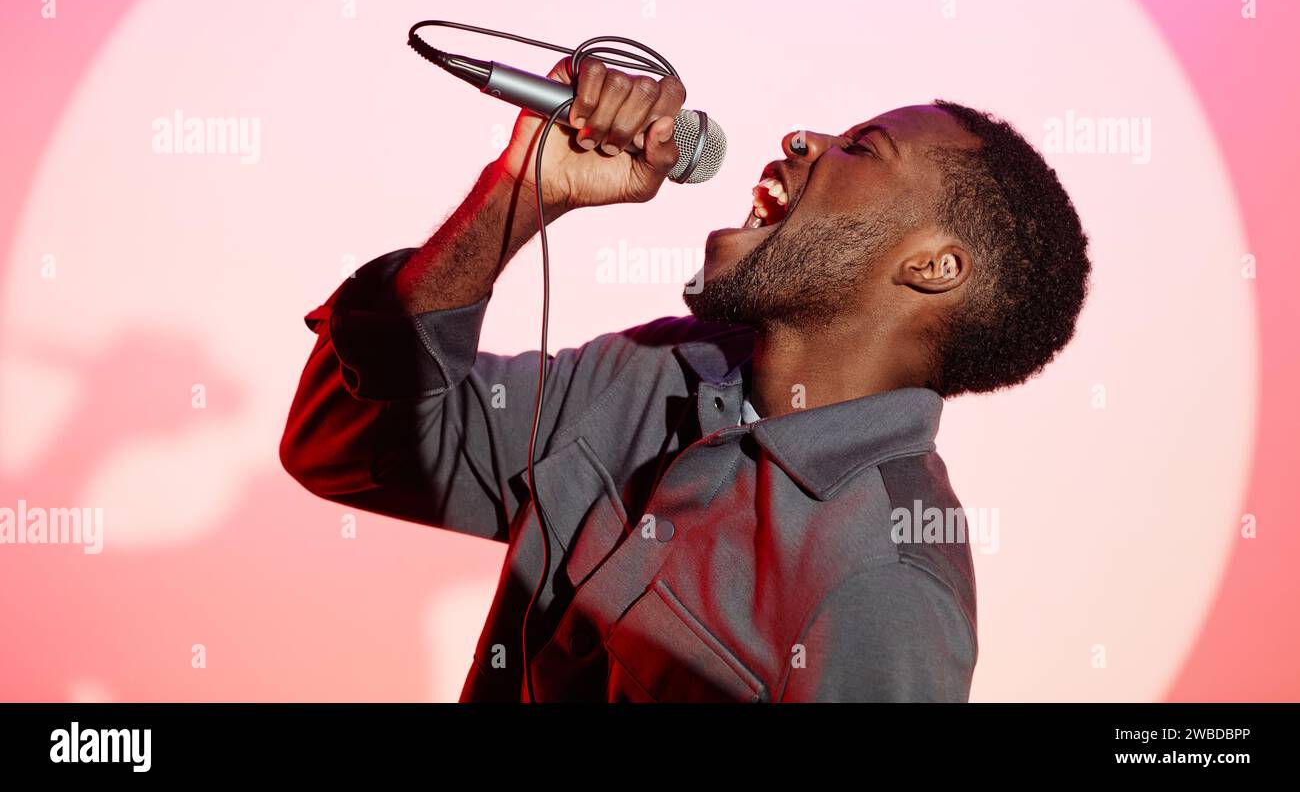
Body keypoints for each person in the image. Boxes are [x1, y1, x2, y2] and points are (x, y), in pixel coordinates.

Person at [279, 56, 1091, 702]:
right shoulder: (653, 374)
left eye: (862, 148)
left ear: (934, 266)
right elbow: (341, 448)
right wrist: (521, 190)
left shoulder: (888, 586)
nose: (804, 138)